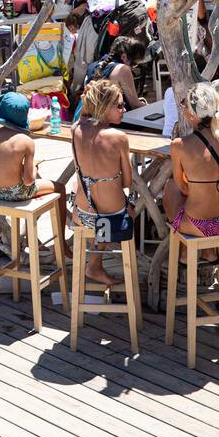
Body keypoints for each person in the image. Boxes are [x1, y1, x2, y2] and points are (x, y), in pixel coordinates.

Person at [164, 83, 219, 260]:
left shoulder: (179, 145)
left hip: (195, 225)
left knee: (171, 187)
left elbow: (182, 187)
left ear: (191, 113)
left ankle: (184, 252)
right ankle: (208, 251)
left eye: (184, 104)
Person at [69, 78, 134, 285]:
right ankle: (97, 264)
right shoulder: (118, 137)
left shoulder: (75, 130)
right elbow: (127, 182)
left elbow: (82, 118)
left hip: (81, 215)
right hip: (111, 217)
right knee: (130, 211)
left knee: (82, 190)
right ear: (104, 107)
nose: (124, 109)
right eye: (120, 105)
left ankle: (94, 262)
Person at [0, 91, 67, 230]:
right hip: (19, 194)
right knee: (60, 187)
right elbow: (29, 181)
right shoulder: (26, 141)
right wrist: (34, 168)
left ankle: (29, 238)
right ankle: (62, 243)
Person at [88, 36, 147, 109]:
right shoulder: (123, 70)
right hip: (114, 118)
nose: (132, 68)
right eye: (134, 63)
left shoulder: (92, 66)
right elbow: (135, 104)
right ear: (124, 57)